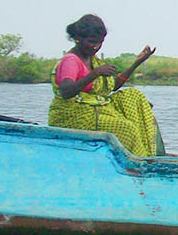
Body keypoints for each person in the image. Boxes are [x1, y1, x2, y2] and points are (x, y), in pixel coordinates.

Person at [48, 14, 164, 156]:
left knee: (135, 97)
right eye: (91, 42)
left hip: (93, 110)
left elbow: (112, 86)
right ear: (78, 39)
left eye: (100, 42)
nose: (96, 47)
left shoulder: (91, 58)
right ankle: (137, 162)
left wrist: (137, 62)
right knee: (127, 129)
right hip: (75, 117)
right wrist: (95, 73)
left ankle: (150, 154)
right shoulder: (71, 60)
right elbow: (66, 91)